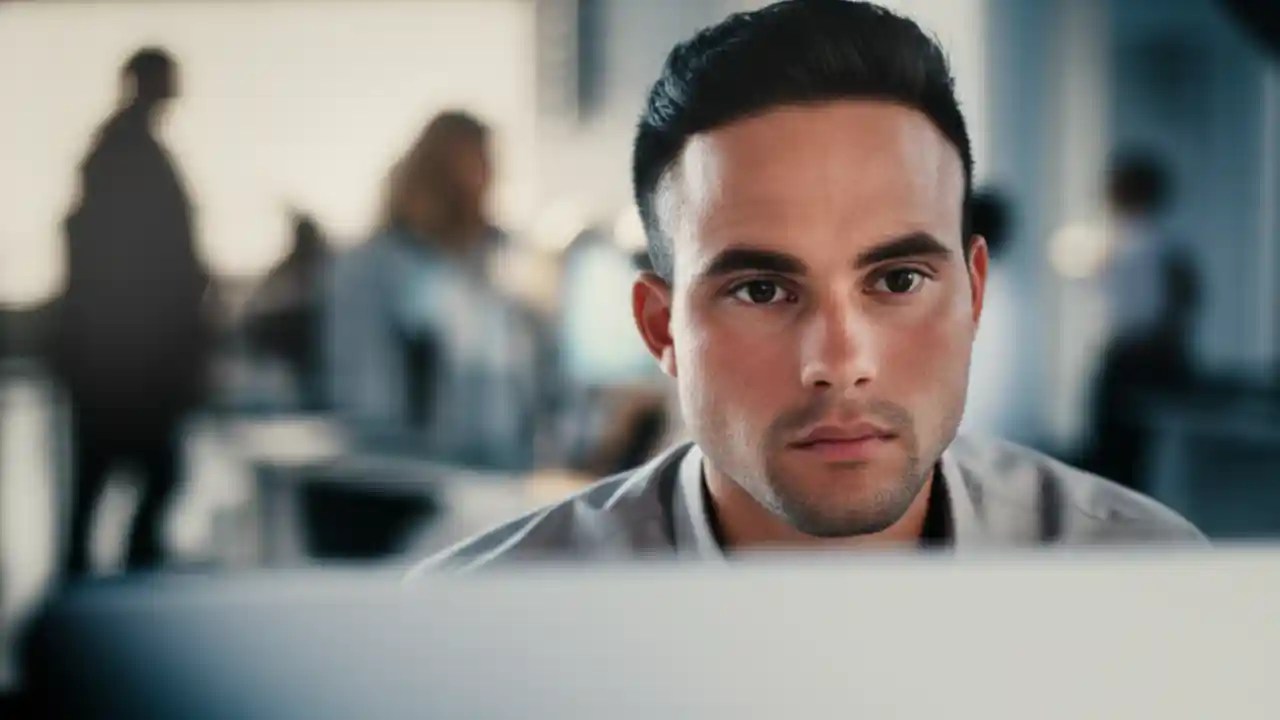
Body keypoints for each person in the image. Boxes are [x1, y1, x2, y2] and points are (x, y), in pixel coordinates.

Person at [414, 0, 1202, 570]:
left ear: (974, 295)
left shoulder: (1145, 577)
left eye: (897, 279)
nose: (839, 360)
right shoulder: (474, 633)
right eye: (761, 290)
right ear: (660, 330)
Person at [53, 48, 212, 577]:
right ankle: (118, 582)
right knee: (126, 478)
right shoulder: (123, 152)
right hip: (124, 360)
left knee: (111, 482)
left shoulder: (123, 150)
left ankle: (113, 577)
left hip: (123, 358)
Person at [326, 111, 540, 470]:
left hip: (500, 474)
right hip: (412, 479)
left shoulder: (502, 264)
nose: (487, 181)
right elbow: (368, 400)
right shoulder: (376, 269)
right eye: (477, 167)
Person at [1084, 153, 1199, 491]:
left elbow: (1181, 302)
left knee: (1129, 455)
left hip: (1141, 357)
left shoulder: (1154, 244)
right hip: (1127, 351)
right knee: (1120, 454)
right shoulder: (1124, 240)